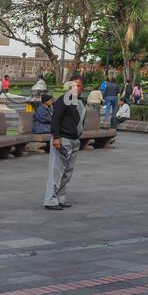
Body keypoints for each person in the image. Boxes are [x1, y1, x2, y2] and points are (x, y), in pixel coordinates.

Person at [44, 74, 86, 210]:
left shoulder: (79, 101)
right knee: (56, 171)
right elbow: (55, 119)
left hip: (74, 140)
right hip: (63, 139)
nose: (76, 88)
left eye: (78, 85)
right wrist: (56, 137)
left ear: (83, 88)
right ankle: (50, 199)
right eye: (73, 85)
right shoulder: (64, 99)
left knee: (67, 172)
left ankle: (60, 197)